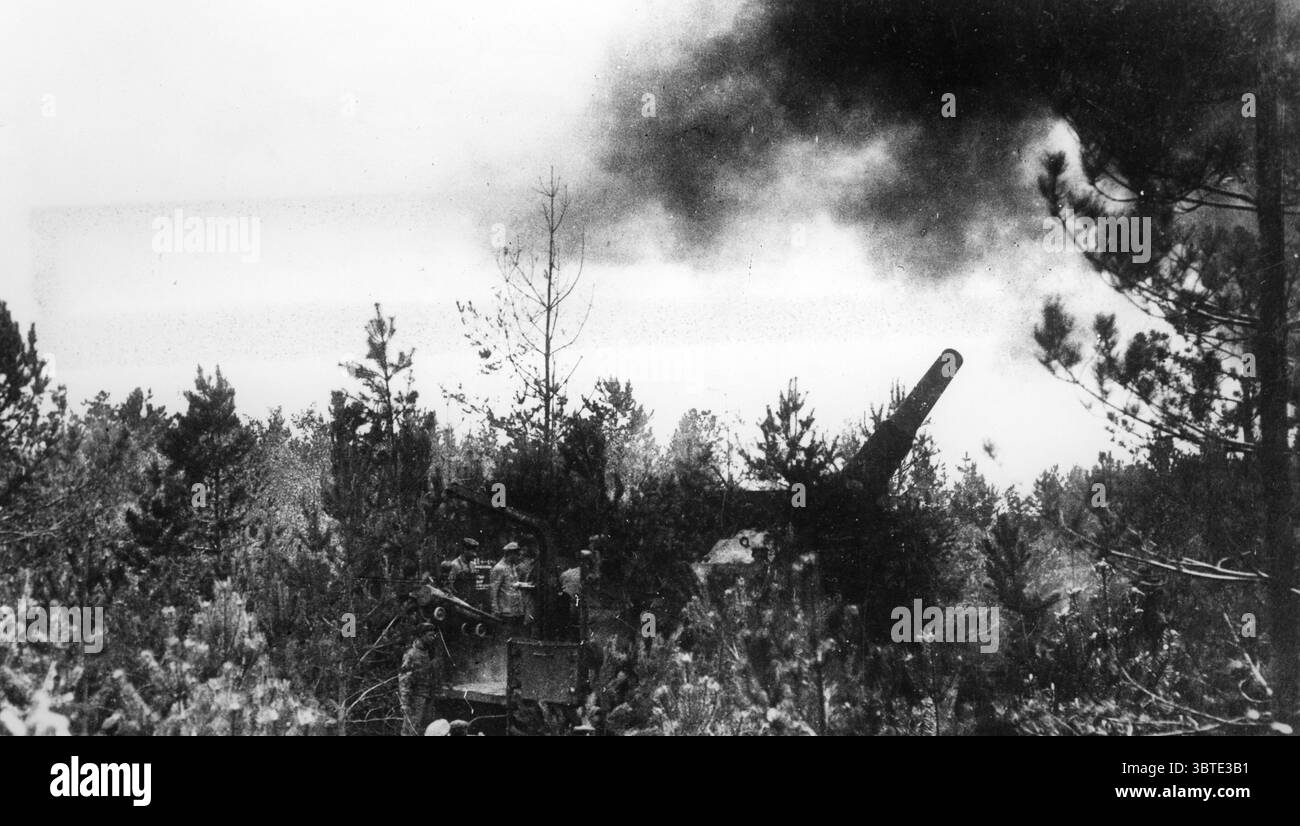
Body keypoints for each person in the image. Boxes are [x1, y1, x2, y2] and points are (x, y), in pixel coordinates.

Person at [490, 541, 525, 631]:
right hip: (506, 612)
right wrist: (495, 609)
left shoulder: (512, 566)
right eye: (517, 554)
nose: (518, 557)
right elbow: (494, 590)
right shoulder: (499, 568)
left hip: (516, 610)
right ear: (510, 554)